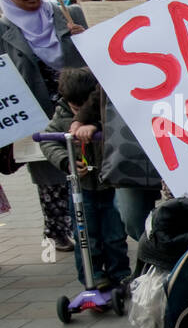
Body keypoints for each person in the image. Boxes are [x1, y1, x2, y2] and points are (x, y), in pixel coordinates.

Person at [74, 0, 169, 242]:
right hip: (127, 135)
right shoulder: (106, 13)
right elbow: (107, 78)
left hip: (175, 128)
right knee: (131, 218)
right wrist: (86, 116)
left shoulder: (165, 4)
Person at [0, 0, 86, 252]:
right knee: (48, 172)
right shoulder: (4, 29)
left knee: (86, 165)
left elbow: (94, 53)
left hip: (77, 105)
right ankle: (56, 229)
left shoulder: (68, 14)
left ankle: (87, 225)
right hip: (37, 109)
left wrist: (84, 36)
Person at [38, 67, 130, 289]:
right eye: (74, 107)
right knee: (86, 238)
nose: (79, 111)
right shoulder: (61, 115)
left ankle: (121, 274)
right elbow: (47, 141)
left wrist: (96, 125)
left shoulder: (108, 110)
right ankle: (94, 276)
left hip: (111, 185)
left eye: (84, 107)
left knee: (115, 235)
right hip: (81, 189)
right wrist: (66, 161)